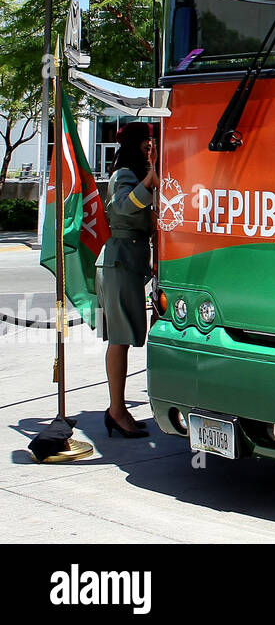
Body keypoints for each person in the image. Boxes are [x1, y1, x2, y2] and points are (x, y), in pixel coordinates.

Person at [101, 123, 156, 438]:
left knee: (126, 337)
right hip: (121, 260)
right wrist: (150, 179)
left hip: (130, 262)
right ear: (137, 144)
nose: (151, 148)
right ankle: (117, 411)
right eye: (148, 142)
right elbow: (122, 206)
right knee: (120, 340)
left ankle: (117, 409)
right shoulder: (125, 175)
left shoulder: (138, 174)